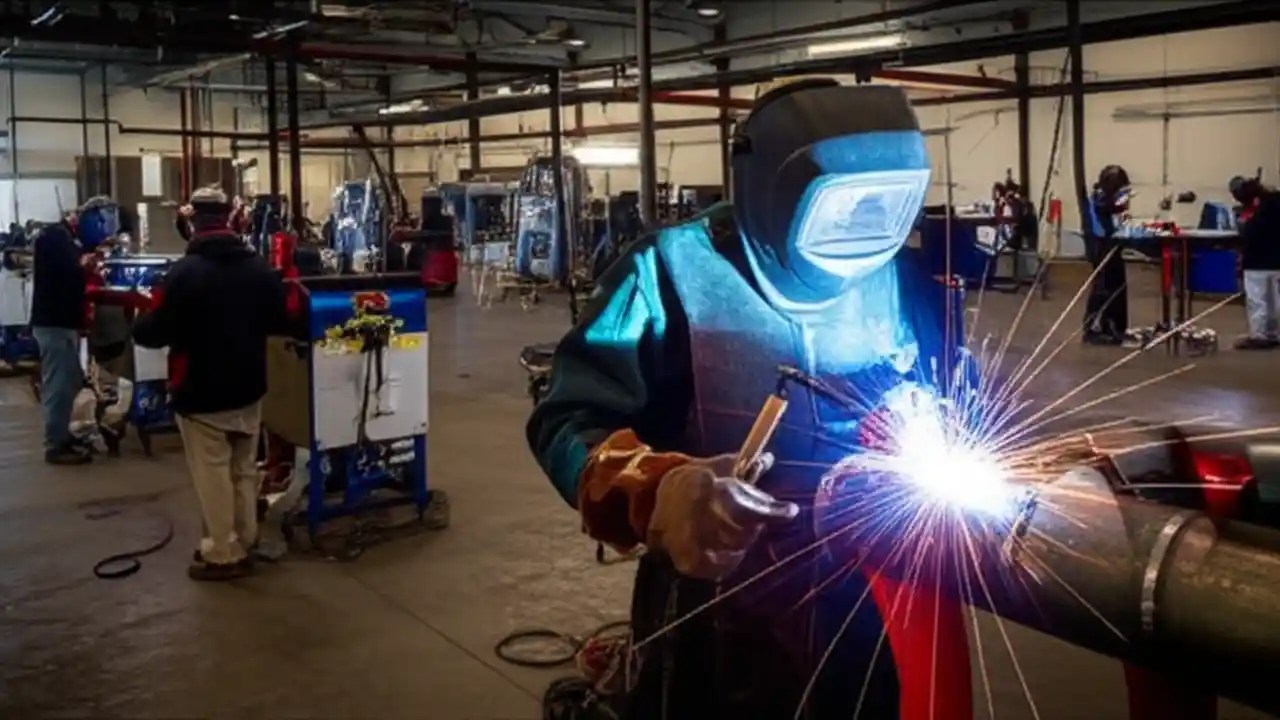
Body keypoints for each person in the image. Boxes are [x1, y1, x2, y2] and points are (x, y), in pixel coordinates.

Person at [528, 80, 973, 719]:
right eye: (844, 206)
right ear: (770, 186)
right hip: (712, 613)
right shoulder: (668, 272)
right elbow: (566, 420)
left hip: (869, 598)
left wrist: (938, 421)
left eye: (883, 207)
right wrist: (659, 491)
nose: (860, 231)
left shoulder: (896, 277)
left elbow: (957, 388)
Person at [134, 187, 287, 581]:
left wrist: (141, 317)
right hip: (249, 387)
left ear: (194, 222)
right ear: (229, 220)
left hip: (202, 393)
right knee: (243, 469)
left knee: (213, 474)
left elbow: (151, 333)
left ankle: (223, 552)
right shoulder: (258, 268)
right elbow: (280, 320)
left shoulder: (184, 274)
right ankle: (246, 538)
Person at [30, 222, 90, 465]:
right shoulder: (56, 241)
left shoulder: (57, 241)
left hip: (60, 325)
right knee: (59, 386)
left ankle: (62, 433)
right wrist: (83, 266)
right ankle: (55, 444)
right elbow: (69, 276)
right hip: (55, 327)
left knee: (71, 380)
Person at [1082, 165, 1154, 346]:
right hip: (1100, 246)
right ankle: (1092, 329)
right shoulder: (1098, 200)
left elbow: (1123, 219)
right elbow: (1101, 227)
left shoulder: (1112, 201)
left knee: (1118, 285)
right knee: (1103, 287)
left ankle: (1115, 327)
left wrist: (1135, 229)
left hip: (1112, 244)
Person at [1230, 176, 1280, 349]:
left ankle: (1259, 335)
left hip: (1257, 262)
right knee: (1275, 300)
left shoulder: (1254, 212)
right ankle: (1274, 333)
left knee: (1257, 300)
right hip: (1275, 261)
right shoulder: (1275, 202)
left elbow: (1246, 230)